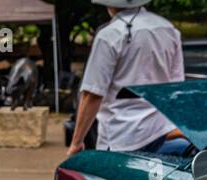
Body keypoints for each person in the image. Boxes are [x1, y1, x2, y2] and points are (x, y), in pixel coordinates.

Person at [70, 1, 186, 156]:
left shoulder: (109, 35)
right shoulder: (168, 29)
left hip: (121, 135)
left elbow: (92, 94)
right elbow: (175, 88)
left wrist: (76, 142)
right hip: (161, 132)